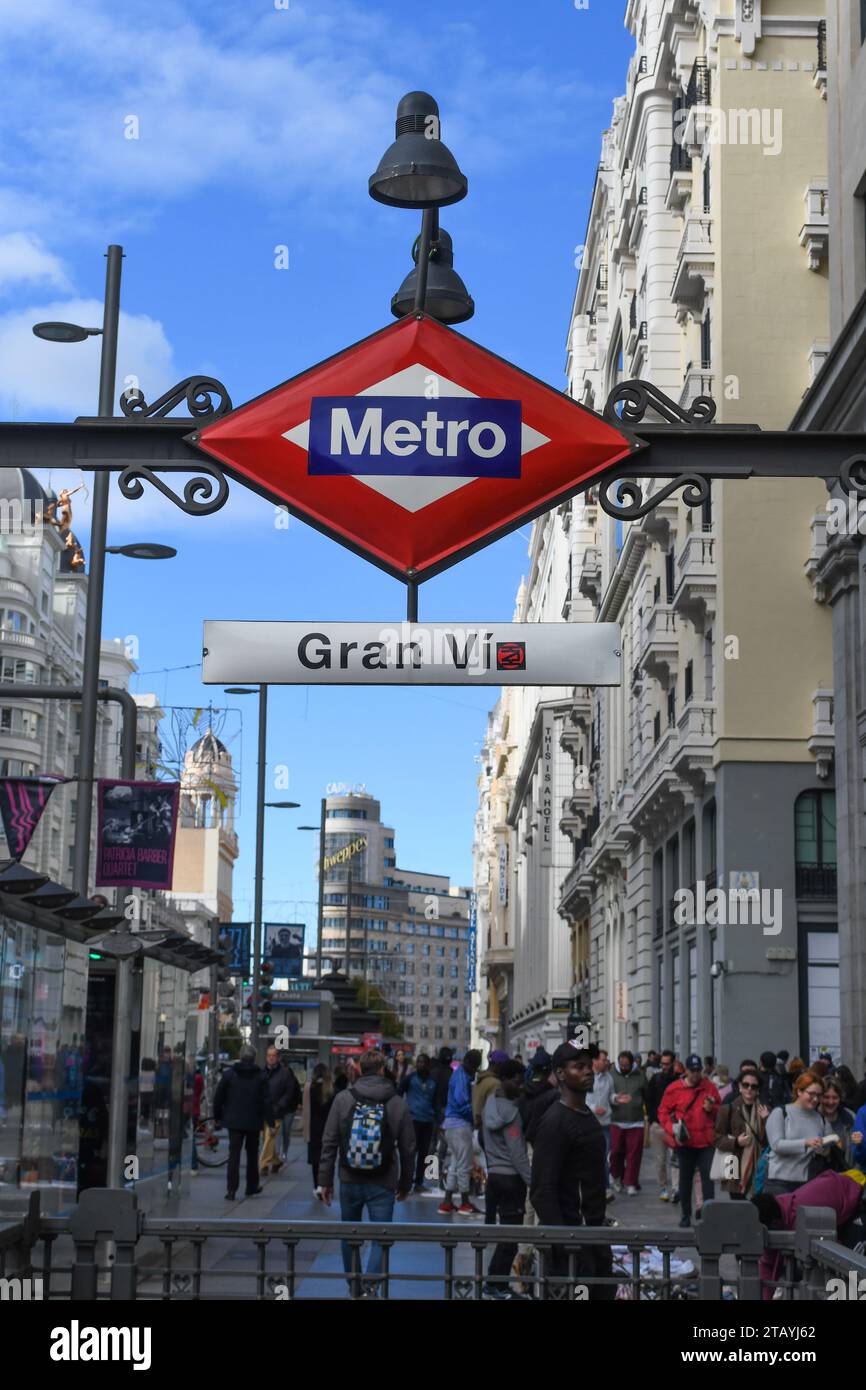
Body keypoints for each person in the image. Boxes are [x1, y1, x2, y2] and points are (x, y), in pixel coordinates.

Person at [318, 1049, 415, 1298]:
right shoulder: (396, 1102)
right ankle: (371, 1289)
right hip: (383, 1181)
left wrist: (324, 1182)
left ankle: (354, 1287)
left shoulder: (343, 1099)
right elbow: (408, 1148)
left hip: (349, 1177)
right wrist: (406, 1183)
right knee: (381, 1237)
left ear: (360, 1069)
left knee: (349, 1234)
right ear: (383, 1070)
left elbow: (329, 1142)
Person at [530, 1041, 613, 1301]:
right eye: (579, 1067)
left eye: (589, 1066)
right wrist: (567, 1244)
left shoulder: (586, 1113)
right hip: (571, 1246)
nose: (588, 1071)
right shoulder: (555, 1122)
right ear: (561, 1074)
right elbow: (542, 1192)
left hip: (593, 1237)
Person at [753, 1169, 866, 1299]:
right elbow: (769, 1264)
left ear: (775, 1223)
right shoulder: (778, 1212)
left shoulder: (803, 1216)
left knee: (851, 1265)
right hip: (834, 1216)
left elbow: (831, 1250)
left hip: (857, 1205)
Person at [481, 1059, 533, 1300]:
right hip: (512, 1180)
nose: (520, 1085)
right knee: (510, 1238)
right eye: (517, 1080)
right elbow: (518, 1153)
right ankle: (496, 1285)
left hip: (493, 1178)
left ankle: (494, 1283)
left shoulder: (489, 1105)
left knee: (497, 1234)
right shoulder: (512, 1113)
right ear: (507, 1079)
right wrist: (533, 1181)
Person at [658, 1053, 721, 1228]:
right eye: (692, 1070)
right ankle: (685, 1215)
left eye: (698, 1070)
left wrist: (711, 1108)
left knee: (708, 1179)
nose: (695, 1074)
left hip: (706, 1142)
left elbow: (720, 1110)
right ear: (685, 1071)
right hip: (685, 1142)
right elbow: (662, 1111)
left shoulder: (709, 1087)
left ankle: (710, 1215)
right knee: (685, 1180)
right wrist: (673, 1130)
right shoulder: (674, 1089)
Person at [213, 1044, 274, 1201]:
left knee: (234, 1155)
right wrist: (271, 1122)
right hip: (253, 1120)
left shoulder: (229, 1075)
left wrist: (217, 1116)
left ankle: (231, 1189)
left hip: (234, 1121)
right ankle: (251, 1186)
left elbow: (218, 1097)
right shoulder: (261, 1076)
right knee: (252, 1154)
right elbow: (267, 1101)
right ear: (254, 1058)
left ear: (240, 1057)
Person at [764, 1070, 837, 1195]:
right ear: (799, 1091)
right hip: (778, 1181)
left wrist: (824, 1149)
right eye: (811, 1094)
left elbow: (829, 1146)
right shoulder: (780, 1113)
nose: (815, 1099)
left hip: (808, 1182)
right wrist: (806, 1143)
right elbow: (776, 1145)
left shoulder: (821, 1119)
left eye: (819, 1095)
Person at [713, 1069, 768, 1199]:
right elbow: (716, 1139)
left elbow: (769, 1142)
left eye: (753, 1086)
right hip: (732, 1161)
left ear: (758, 1089)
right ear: (739, 1087)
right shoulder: (728, 1109)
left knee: (756, 1206)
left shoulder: (765, 1110)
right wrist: (736, 1142)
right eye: (745, 1085)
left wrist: (767, 1120)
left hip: (758, 1164)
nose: (749, 1089)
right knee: (737, 1205)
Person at [439, 1049, 482, 1215]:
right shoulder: (461, 1077)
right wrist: (474, 1116)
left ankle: (447, 1201)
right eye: (475, 1067)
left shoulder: (459, 1075)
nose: (475, 1071)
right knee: (464, 1164)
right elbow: (461, 1102)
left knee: (456, 1163)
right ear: (470, 1063)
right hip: (459, 1124)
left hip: (450, 1125)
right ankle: (465, 1202)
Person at [609, 1049, 647, 1196]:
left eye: (627, 1065)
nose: (624, 1067)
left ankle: (630, 1182)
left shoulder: (640, 1076)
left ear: (632, 1064)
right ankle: (617, 1177)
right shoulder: (612, 1075)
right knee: (616, 1152)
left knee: (634, 1154)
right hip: (616, 1120)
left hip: (636, 1121)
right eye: (622, 1065)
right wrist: (616, 1099)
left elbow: (646, 1094)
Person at [400, 1053, 438, 1192]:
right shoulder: (410, 1079)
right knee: (410, 1152)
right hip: (412, 1121)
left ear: (428, 1064)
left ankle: (419, 1182)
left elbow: (436, 1102)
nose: (421, 1064)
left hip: (427, 1121)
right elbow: (399, 1093)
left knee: (424, 1153)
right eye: (419, 1062)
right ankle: (406, 1181)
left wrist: (437, 1118)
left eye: (424, 1062)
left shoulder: (433, 1081)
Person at [260, 1047, 301, 1176]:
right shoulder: (262, 1073)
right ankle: (276, 1161)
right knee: (266, 1138)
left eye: (273, 1055)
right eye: (268, 1055)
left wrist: (279, 1106)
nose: (270, 1058)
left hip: (278, 1110)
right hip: (264, 1111)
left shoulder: (285, 1073)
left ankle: (263, 1164)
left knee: (269, 1138)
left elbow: (289, 1092)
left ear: (278, 1058)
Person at [647, 1050, 679, 1202]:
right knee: (660, 1160)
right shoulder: (656, 1079)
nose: (664, 1066)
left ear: (673, 1063)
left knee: (675, 1159)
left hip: (674, 1125)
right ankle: (663, 1188)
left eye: (667, 1064)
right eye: (662, 1064)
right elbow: (649, 1101)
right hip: (658, 1125)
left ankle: (676, 1189)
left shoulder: (679, 1080)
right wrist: (654, 1120)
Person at [587, 1049, 616, 1201]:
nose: (606, 1062)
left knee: (604, 1157)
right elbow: (581, 1099)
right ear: (595, 1061)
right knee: (591, 1158)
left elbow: (610, 1095)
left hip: (604, 1123)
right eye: (604, 1060)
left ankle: (605, 1188)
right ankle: (594, 1188)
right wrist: (593, 1109)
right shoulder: (586, 1076)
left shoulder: (608, 1078)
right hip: (589, 1124)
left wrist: (617, 1099)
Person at [303, 1064, 335, 1191]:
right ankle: (326, 1185)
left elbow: (306, 1109)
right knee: (327, 1159)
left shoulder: (309, 1088)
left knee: (316, 1161)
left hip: (313, 1129)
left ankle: (317, 1186)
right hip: (329, 1129)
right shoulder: (332, 1090)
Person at [820, 1079, 859, 1167]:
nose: (831, 1102)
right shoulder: (813, 1118)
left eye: (835, 1097)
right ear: (820, 1097)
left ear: (840, 1098)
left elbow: (857, 1149)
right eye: (826, 1097)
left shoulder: (851, 1117)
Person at [473, 1050, 509, 1129]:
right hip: (486, 1128)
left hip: (477, 1126)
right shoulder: (495, 1083)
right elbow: (495, 1112)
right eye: (505, 1066)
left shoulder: (481, 1079)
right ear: (498, 1065)